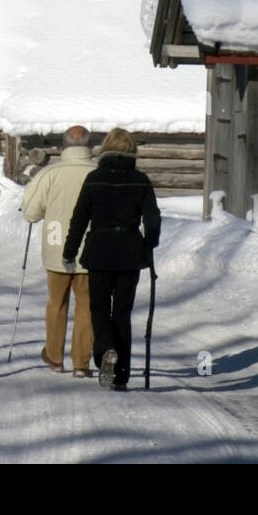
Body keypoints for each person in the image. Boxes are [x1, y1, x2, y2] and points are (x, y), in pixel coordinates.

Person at [63, 128, 160, 391]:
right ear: (131, 152)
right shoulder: (141, 180)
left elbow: (79, 218)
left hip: (100, 251)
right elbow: (153, 220)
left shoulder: (94, 178)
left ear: (105, 149)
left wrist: (69, 252)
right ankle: (121, 374)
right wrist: (149, 244)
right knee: (122, 313)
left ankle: (106, 350)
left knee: (99, 309)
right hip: (129, 252)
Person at [21, 125, 97, 377]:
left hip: (56, 247)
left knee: (57, 302)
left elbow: (31, 211)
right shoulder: (97, 172)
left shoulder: (50, 173)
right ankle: (81, 363)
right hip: (90, 248)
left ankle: (54, 357)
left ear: (64, 146)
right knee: (87, 305)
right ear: (89, 146)